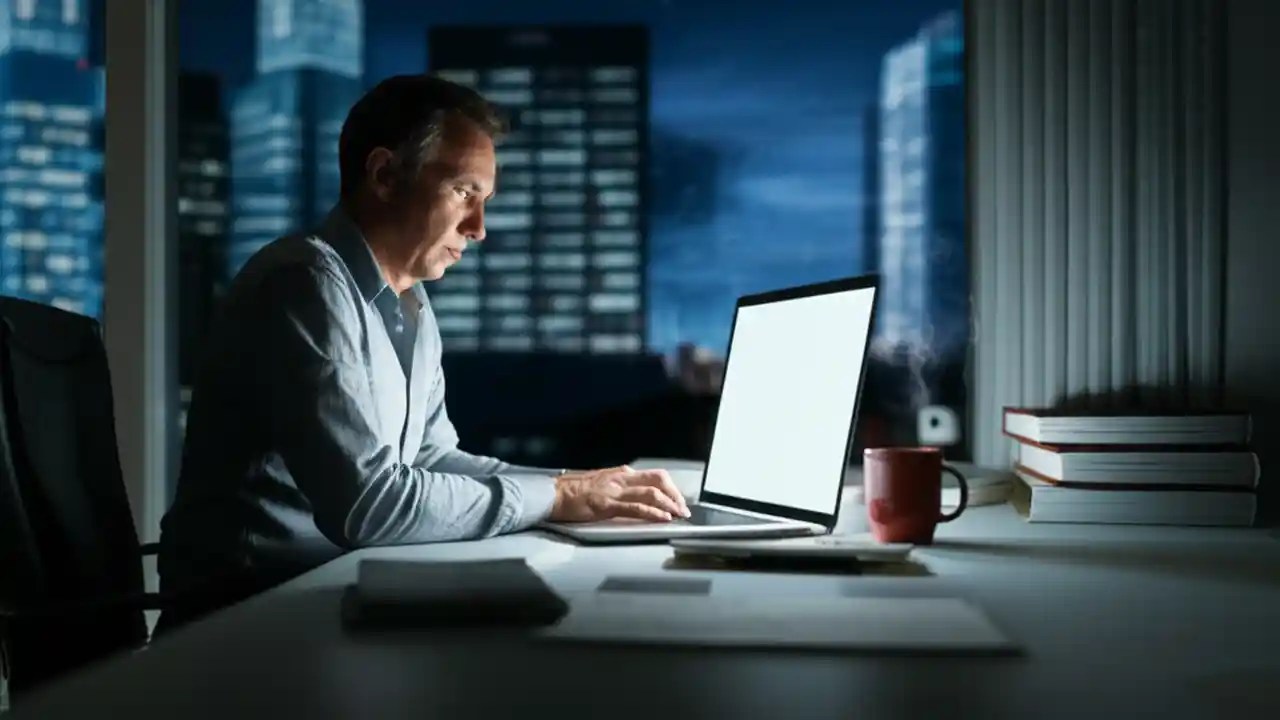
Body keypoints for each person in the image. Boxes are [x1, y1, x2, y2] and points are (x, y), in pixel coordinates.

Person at [156, 74, 689, 632]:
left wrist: (586, 485)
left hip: (328, 596)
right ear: (385, 175)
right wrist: (557, 497)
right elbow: (369, 506)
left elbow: (432, 459)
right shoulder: (304, 283)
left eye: (485, 202)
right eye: (464, 193)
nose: (479, 229)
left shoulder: (410, 303)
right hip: (243, 623)